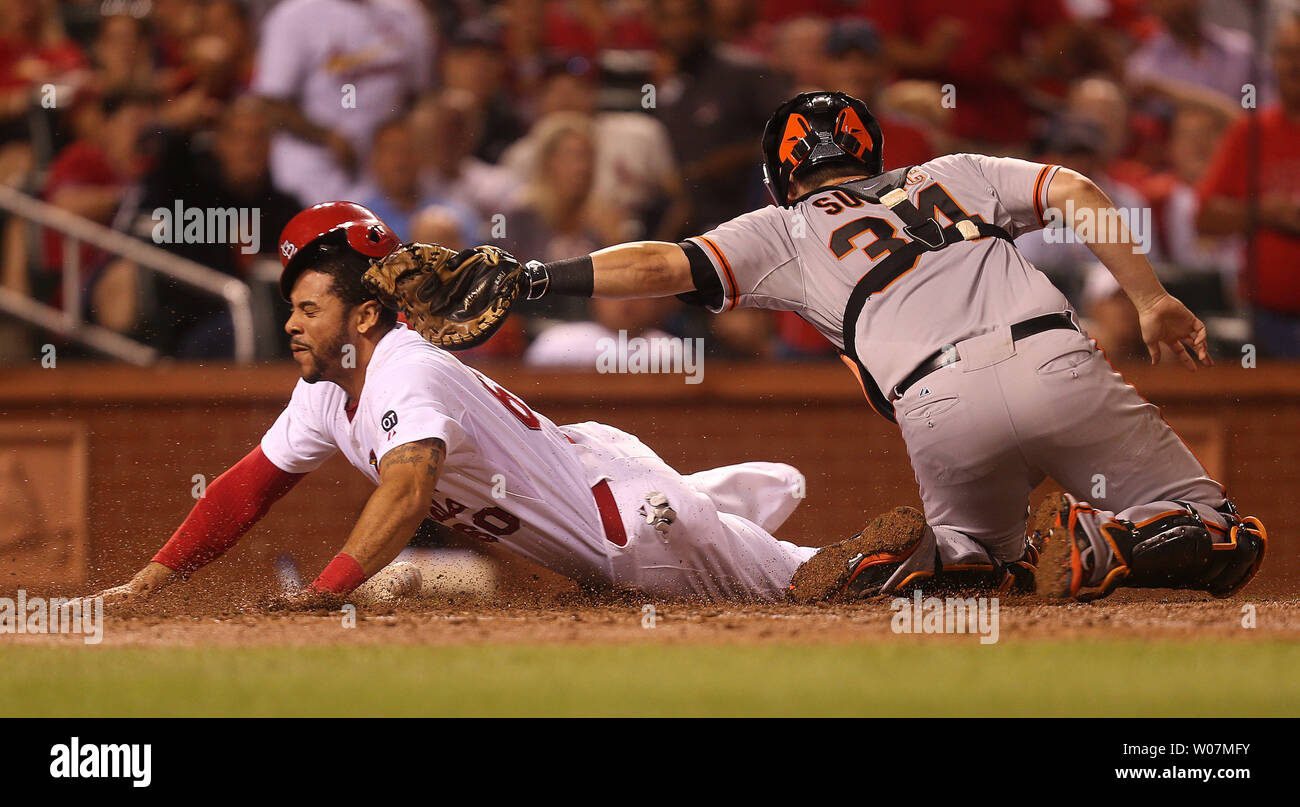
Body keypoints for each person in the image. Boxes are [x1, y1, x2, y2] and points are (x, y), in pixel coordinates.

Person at [472, 91, 1267, 603]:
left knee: (989, 569)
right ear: (869, 151)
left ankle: (922, 561)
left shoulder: (776, 228)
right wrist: (1151, 298)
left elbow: (660, 262)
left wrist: (535, 276)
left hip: (936, 406)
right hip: (1051, 358)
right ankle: (1107, 539)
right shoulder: (952, 171)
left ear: (782, 173)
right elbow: (1075, 191)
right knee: (1225, 534)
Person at [81, 201, 848, 608]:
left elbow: (408, 488)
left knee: (806, 586)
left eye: (308, 306)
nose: (289, 322)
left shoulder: (406, 369)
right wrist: (148, 582)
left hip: (632, 524)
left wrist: (322, 595)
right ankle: (896, 561)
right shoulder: (325, 390)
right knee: (775, 566)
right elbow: (244, 489)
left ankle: (943, 567)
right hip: (601, 487)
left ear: (364, 316)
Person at [1197, 13, 1300, 357]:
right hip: (1266, 319)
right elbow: (1205, 216)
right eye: (1286, 53)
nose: (1293, 65)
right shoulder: (1251, 132)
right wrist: (1266, 213)